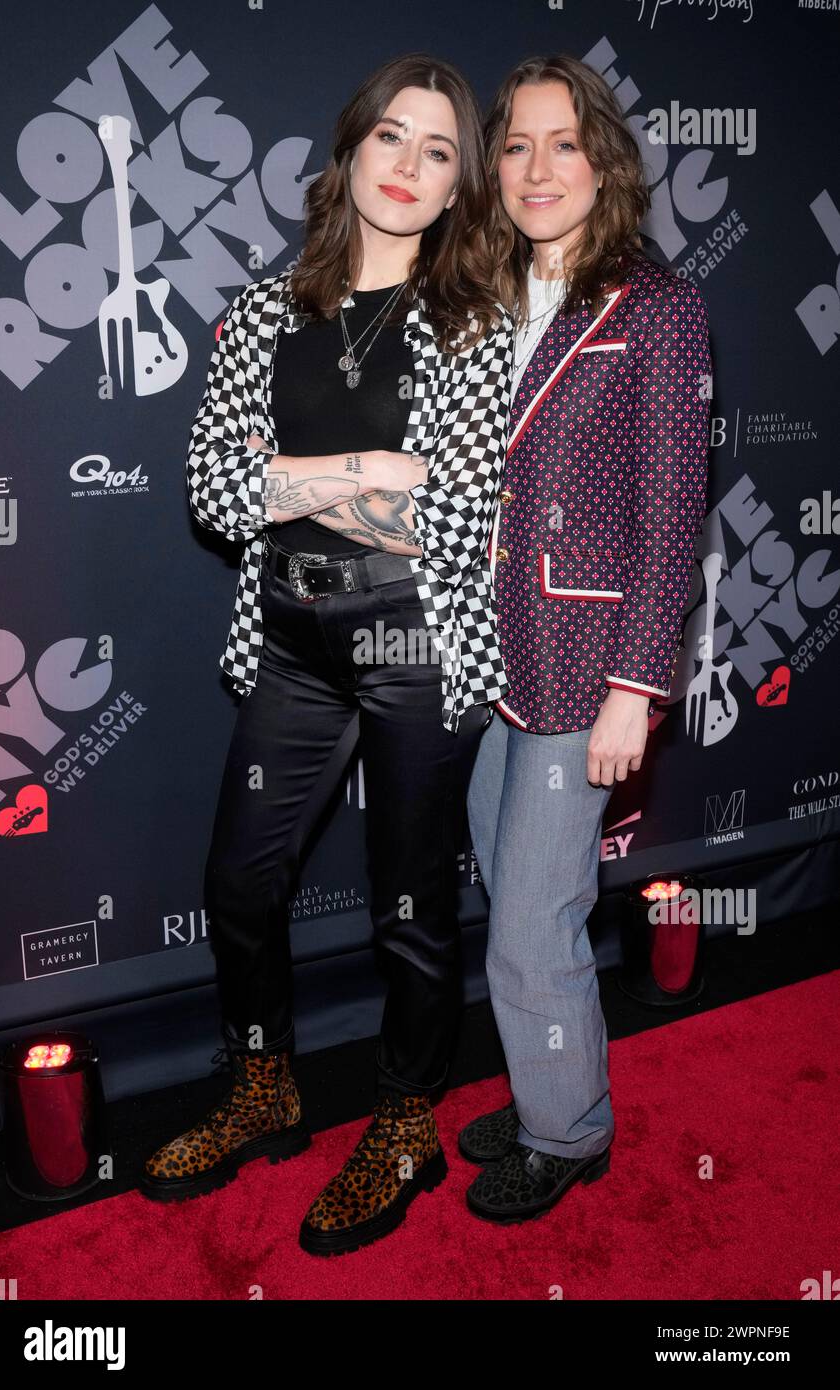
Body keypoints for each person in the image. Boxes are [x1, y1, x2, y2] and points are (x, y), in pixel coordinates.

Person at [139, 53, 514, 1257]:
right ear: (349, 148)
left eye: (438, 151)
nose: (407, 165)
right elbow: (212, 488)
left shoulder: (475, 322)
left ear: (457, 186)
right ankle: (265, 1086)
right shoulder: (265, 311)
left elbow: (457, 514)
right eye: (390, 136)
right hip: (291, 635)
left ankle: (405, 1121)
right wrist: (371, 471)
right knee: (239, 883)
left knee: (410, 905)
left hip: (415, 636)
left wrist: (291, 481)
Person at [459, 54, 712, 1222]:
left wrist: (634, 686)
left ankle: (566, 1133)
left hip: (582, 667)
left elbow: (670, 511)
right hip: (489, 655)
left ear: (602, 161)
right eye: (515, 144)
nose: (535, 167)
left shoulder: (655, 305)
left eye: (561, 142)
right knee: (510, 890)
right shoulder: (487, 293)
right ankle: (546, 1084)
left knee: (530, 920)